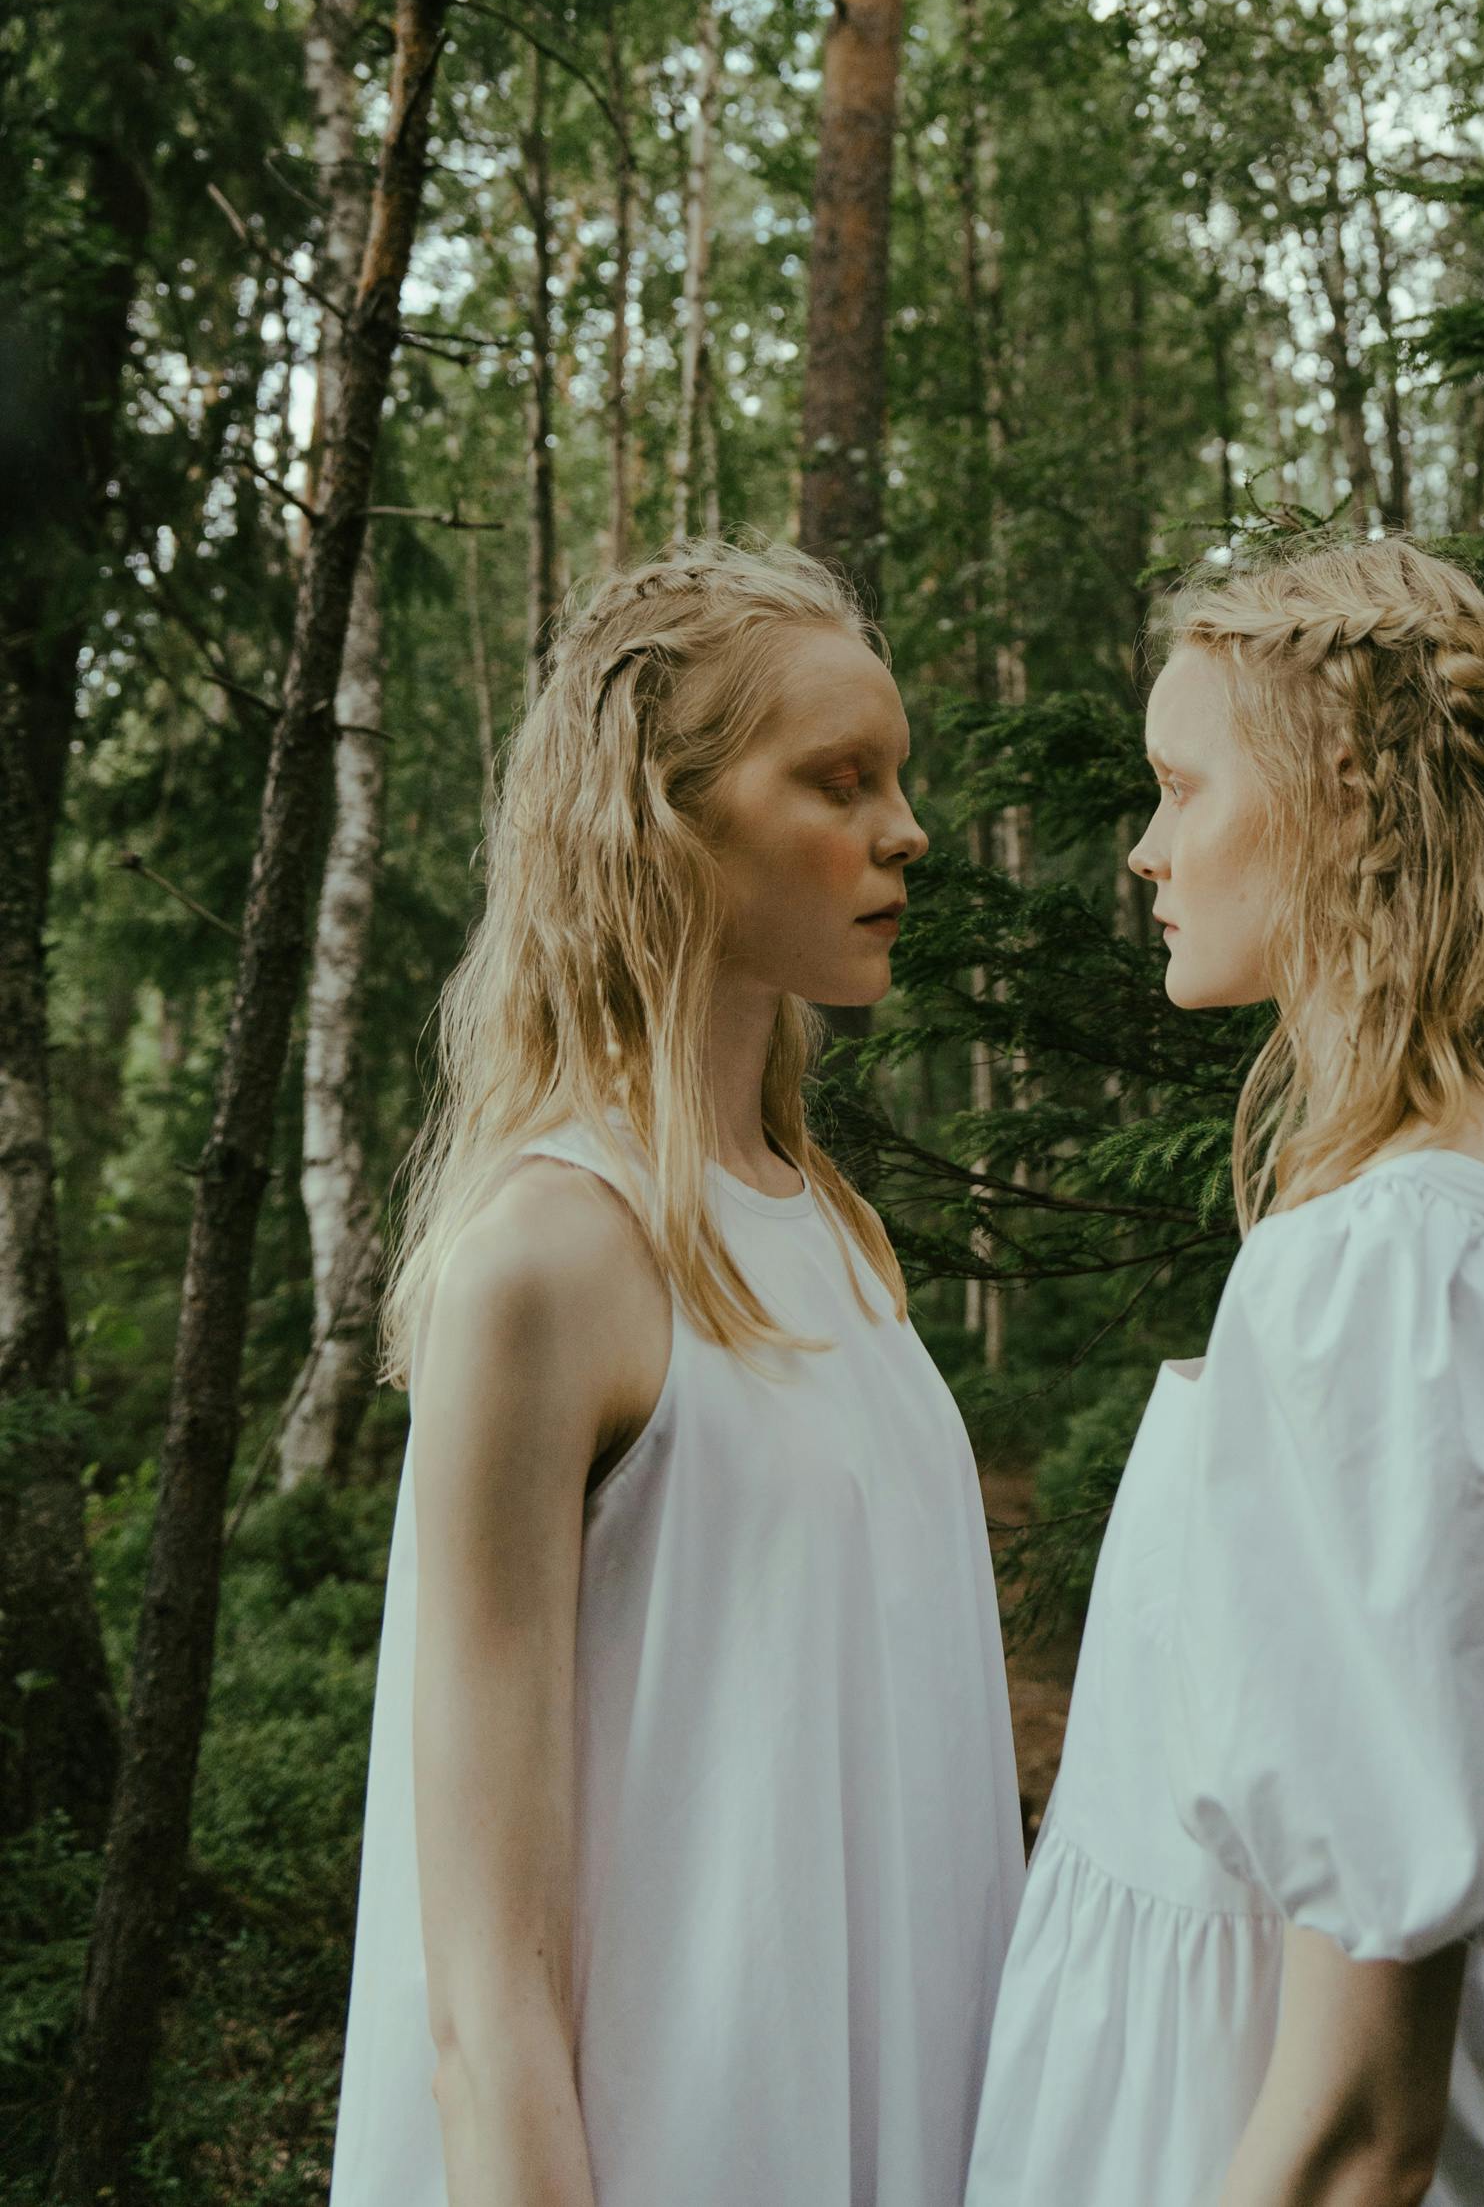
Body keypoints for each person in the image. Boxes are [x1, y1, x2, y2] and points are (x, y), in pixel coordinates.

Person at [965, 536, 1484, 2207]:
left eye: (1179, 786)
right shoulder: (1481, 1215)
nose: (1146, 851)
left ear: (1350, 802)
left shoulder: (1399, 1270)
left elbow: (1362, 2125)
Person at [331, 541, 1023, 2207]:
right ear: (663, 814)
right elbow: (482, 1992)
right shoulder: (548, 1262)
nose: (906, 828)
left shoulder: (833, 1230)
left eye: (899, 777)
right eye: (839, 780)